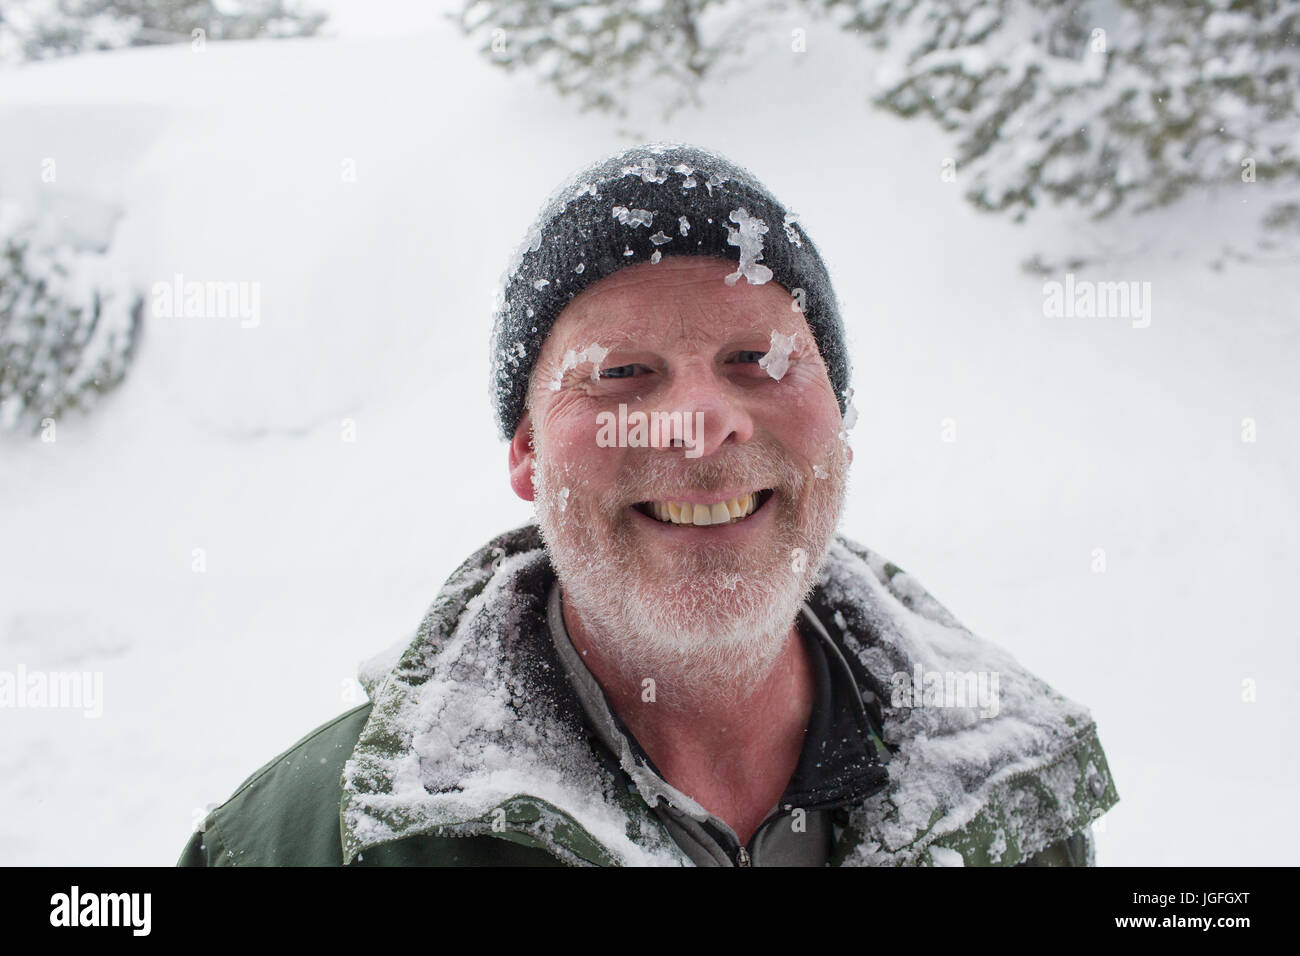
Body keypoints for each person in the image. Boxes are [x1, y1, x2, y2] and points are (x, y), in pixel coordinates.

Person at [178, 142, 1118, 867]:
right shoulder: (306, 845)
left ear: (839, 421)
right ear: (527, 455)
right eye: (623, 374)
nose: (700, 427)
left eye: (760, 362)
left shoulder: (1010, 793)